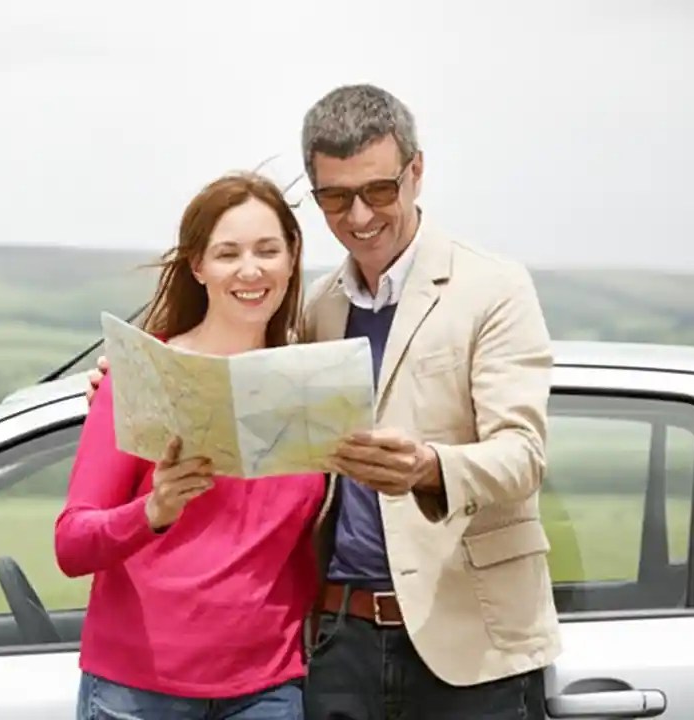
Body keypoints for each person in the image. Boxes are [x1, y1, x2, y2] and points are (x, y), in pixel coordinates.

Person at [83, 83, 560, 719]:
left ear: (416, 173)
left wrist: (430, 468)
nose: (359, 216)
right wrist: (128, 383)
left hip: (466, 640)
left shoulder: (492, 287)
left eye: (379, 191)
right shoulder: (317, 310)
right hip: (339, 641)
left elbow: (524, 455)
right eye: (336, 198)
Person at [55, 172, 332, 720]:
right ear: (197, 265)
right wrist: (151, 511)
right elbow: (71, 544)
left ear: (292, 257)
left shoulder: (315, 385)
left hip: (268, 691)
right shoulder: (143, 377)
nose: (250, 270)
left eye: (267, 250)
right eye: (228, 253)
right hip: (137, 693)